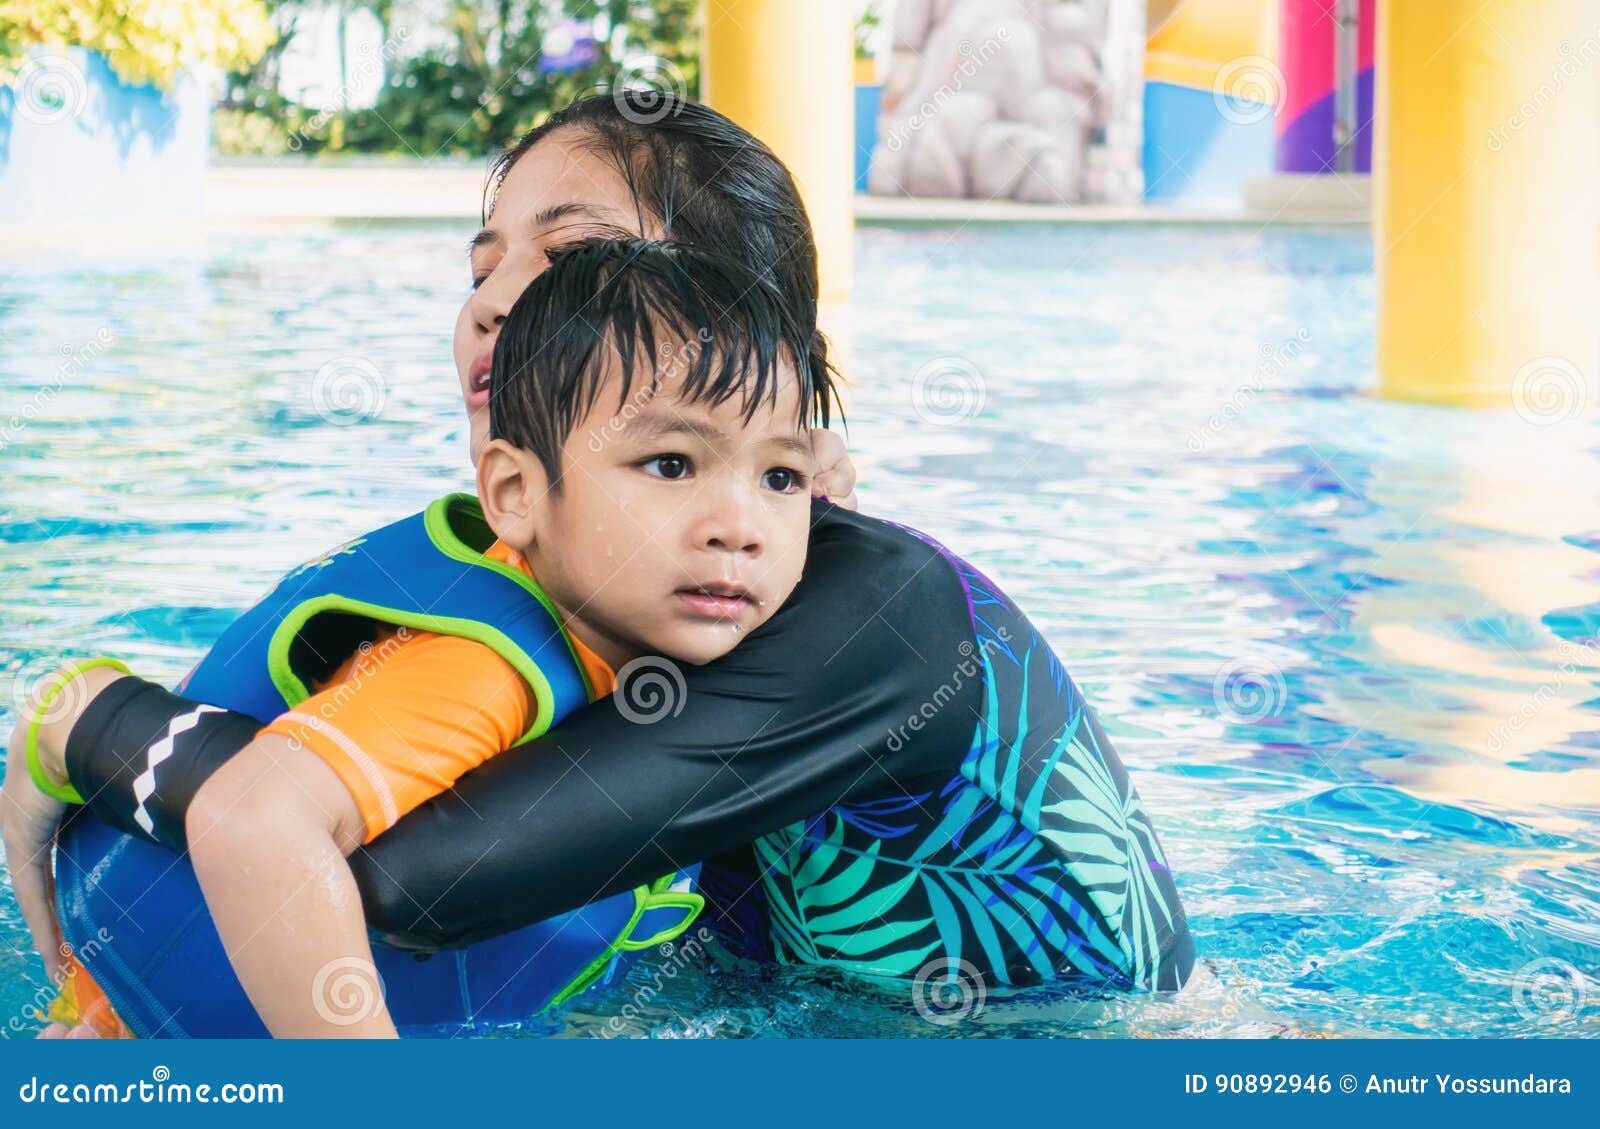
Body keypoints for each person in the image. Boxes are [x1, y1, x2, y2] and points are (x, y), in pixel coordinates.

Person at [4, 92, 1195, 1039]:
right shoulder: (605, 591)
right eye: (479, 268)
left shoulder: (879, 617)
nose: (488, 305)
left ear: (746, 328)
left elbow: (407, 884)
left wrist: (94, 722)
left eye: (566, 258)